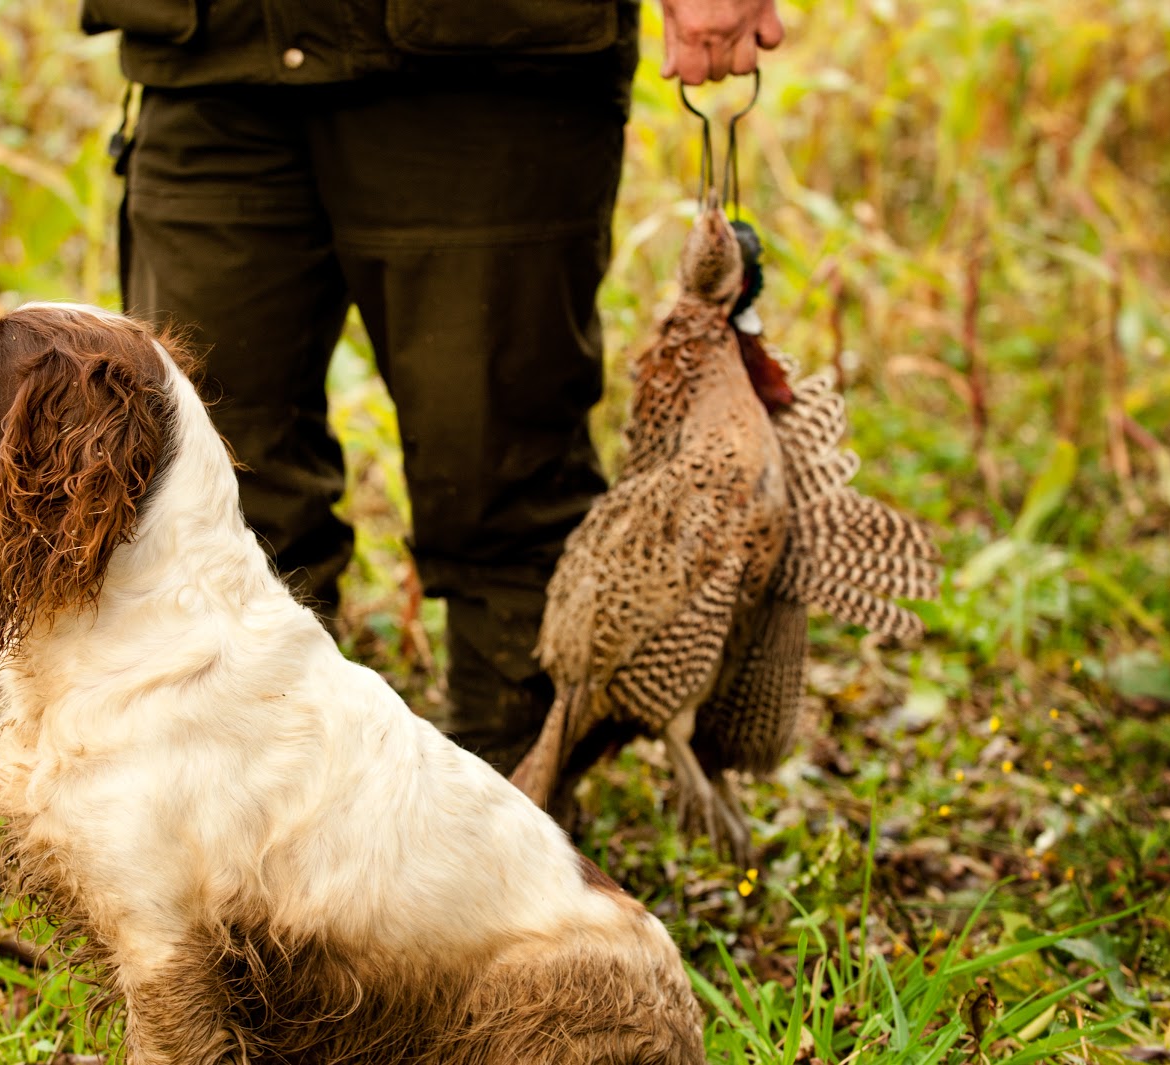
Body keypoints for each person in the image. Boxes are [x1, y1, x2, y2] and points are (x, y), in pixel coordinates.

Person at [95, 0, 783, 772]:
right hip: (212, 52)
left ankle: (510, 842)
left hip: (490, 57)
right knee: (204, 485)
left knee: (500, 473)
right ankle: (250, 826)